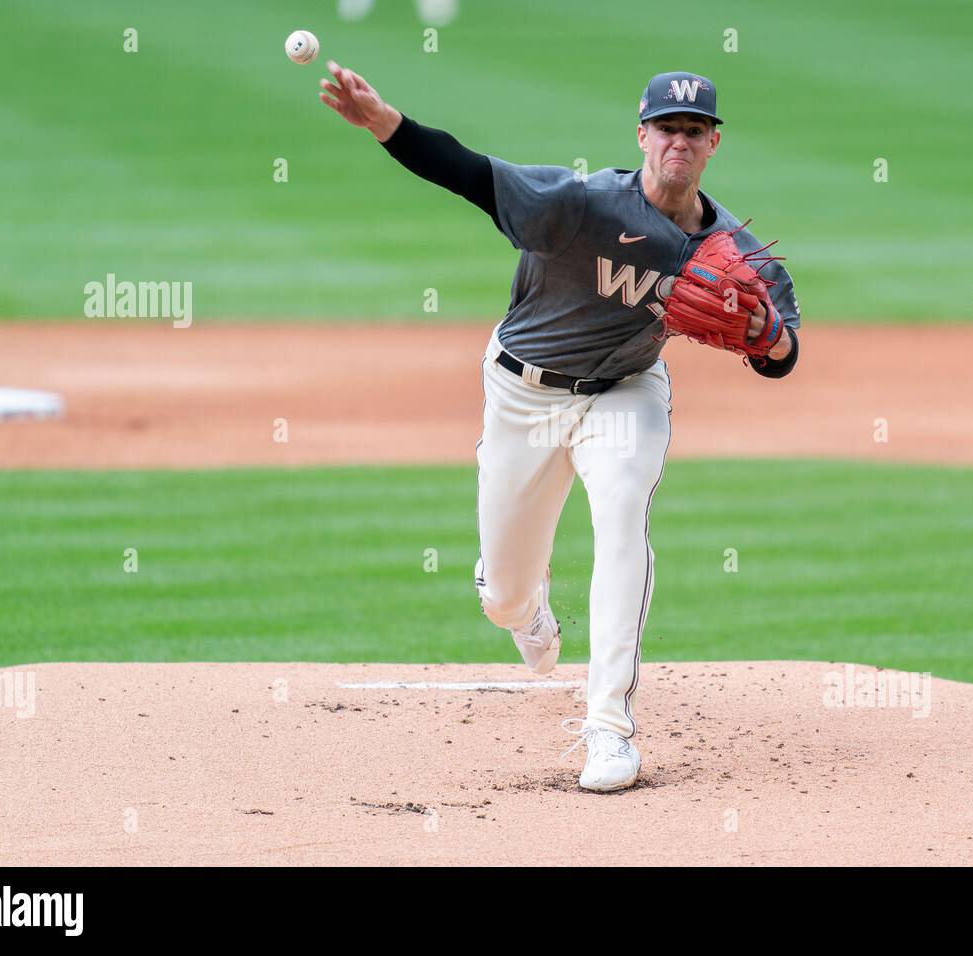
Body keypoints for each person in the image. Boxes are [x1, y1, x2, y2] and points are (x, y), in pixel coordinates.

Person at [319, 66, 801, 792]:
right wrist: (386, 123)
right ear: (642, 135)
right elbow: (471, 175)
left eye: (694, 130)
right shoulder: (580, 203)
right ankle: (524, 605)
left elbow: (782, 357)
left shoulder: (730, 248)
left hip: (626, 392)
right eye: (666, 128)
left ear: (713, 143)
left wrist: (770, 338)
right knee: (503, 596)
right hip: (523, 392)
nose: (679, 140)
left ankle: (609, 729)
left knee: (622, 515)